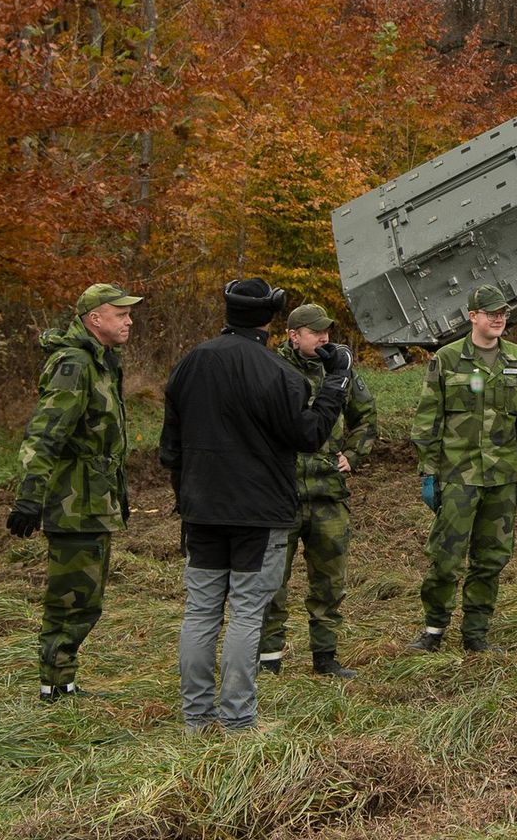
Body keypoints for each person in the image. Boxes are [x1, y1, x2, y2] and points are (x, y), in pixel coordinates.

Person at [159, 277, 349, 731]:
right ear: (270, 318)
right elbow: (308, 435)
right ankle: (238, 719)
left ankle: (197, 718)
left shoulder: (190, 364)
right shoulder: (277, 373)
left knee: (201, 609)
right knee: (246, 611)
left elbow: (170, 450)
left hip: (202, 508)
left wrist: (187, 497)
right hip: (258, 513)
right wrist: (335, 382)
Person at [7, 282, 143, 703]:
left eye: (128, 314)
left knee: (87, 600)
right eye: (120, 314)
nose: (128, 321)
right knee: (70, 599)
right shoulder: (74, 363)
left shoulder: (102, 361)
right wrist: (30, 496)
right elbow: (45, 433)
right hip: (73, 502)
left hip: (94, 501)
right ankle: (54, 686)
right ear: (94, 318)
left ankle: (62, 681)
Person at [410, 283, 517, 652]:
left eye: (503, 313)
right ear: (473, 317)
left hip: (502, 477)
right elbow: (427, 421)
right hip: (458, 477)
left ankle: (476, 633)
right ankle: (433, 630)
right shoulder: (447, 360)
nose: (499, 318)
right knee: (445, 558)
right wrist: (429, 471)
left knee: (491, 559)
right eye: (491, 313)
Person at [258, 303, 376, 680]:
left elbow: (366, 416)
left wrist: (353, 456)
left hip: (328, 493)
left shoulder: (340, 371)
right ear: (294, 335)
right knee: (271, 584)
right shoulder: (270, 367)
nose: (325, 338)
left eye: (327, 331)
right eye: (316, 332)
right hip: (281, 494)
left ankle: (325, 657)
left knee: (329, 582)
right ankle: (269, 658)